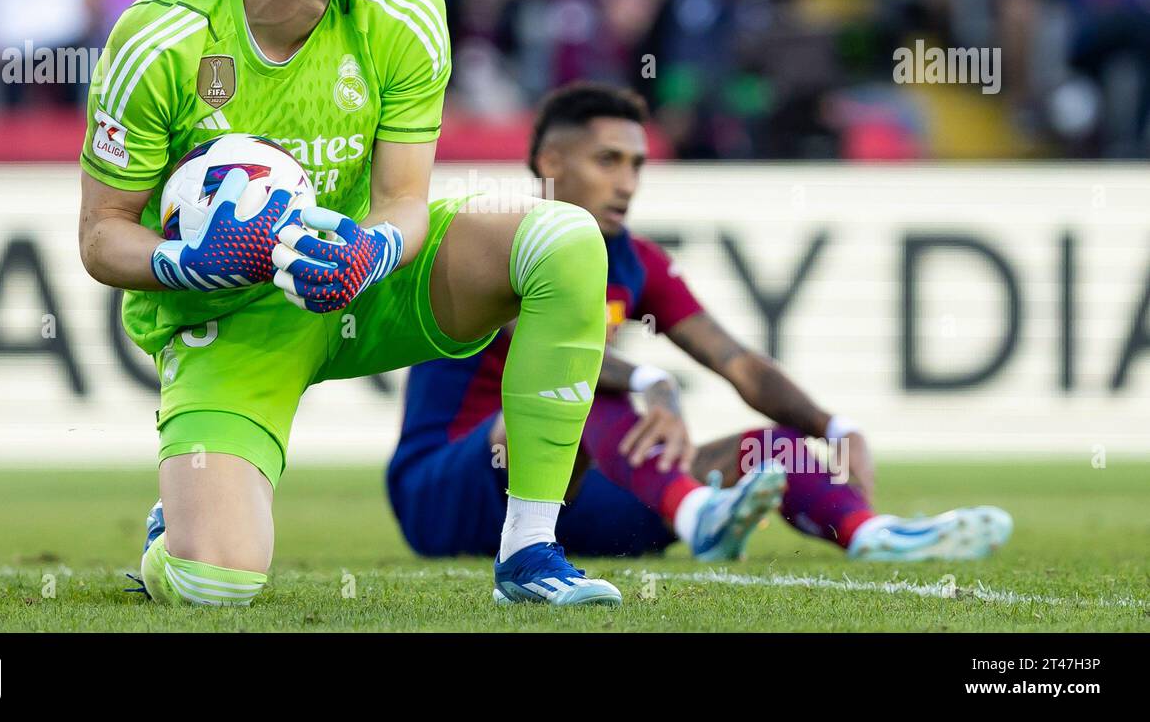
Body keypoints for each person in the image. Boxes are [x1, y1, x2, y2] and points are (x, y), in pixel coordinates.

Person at [77, 0, 627, 608]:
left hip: (365, 275)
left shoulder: (403, 9)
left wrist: (367, 253)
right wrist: (184, 261)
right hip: (229, 315)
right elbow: (100, 238)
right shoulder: (159, 39)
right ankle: (177, 539)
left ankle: (530, 552)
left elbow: (406, 202)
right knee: (212, 585)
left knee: (567, 240)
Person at [389, 83, 1014, 563]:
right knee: (571, 390)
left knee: (770, 450)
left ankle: (871, 533)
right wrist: (648, 381)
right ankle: (699, 515)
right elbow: (539, 347)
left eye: (637, 164)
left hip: (562, 501)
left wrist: (835, 426)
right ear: (551, 159)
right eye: (609, 160)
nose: (628, 183)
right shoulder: (494, 235)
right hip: (447, 488)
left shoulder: (636, 260)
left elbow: (737, 361)